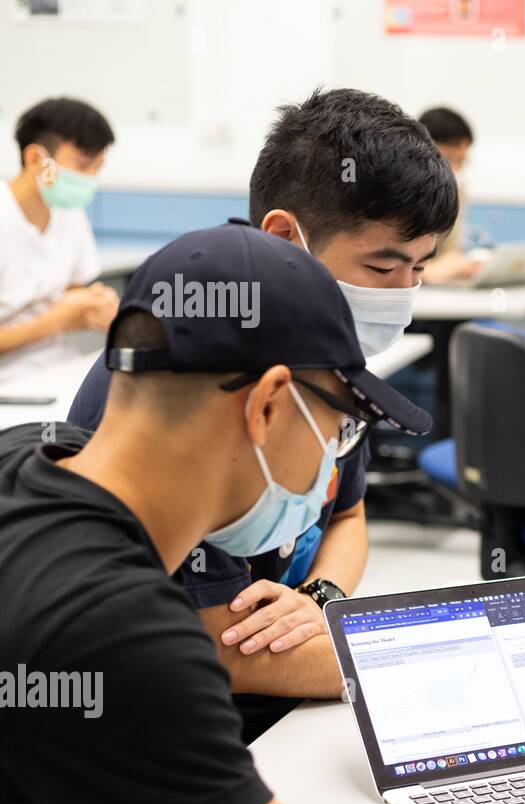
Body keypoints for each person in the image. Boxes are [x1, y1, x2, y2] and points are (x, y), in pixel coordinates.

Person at [0, 222, 525, 804]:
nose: (336, 461)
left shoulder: (27, 456)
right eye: (338, 428)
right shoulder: (123, 638)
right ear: (269, 404)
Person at [66, 88, 458, 741]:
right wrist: (423, 661)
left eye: (420, 269)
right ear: (285, 237)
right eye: (383, 266)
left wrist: (321, 602)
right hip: (196, 720)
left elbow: (350, 513)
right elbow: (222, 646)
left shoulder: (327, 363)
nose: (404, 294)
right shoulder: (196, 380)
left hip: (292, 699)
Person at [1, 97, 117, 381]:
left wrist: (95, 302)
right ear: (35, 159)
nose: (90, 178)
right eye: (82, 164)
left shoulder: (70, 214)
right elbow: (63, 314)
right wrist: (58, 320)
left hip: (59, 368)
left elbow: (72, 293)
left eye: (98, 167)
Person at [417, 106, 481, 283]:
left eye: (462, 160)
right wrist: (430, 273)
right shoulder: (401, 194)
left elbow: (450, 252)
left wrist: (463, 265)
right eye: (449, 159)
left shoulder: (457, 191)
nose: (454, 170)